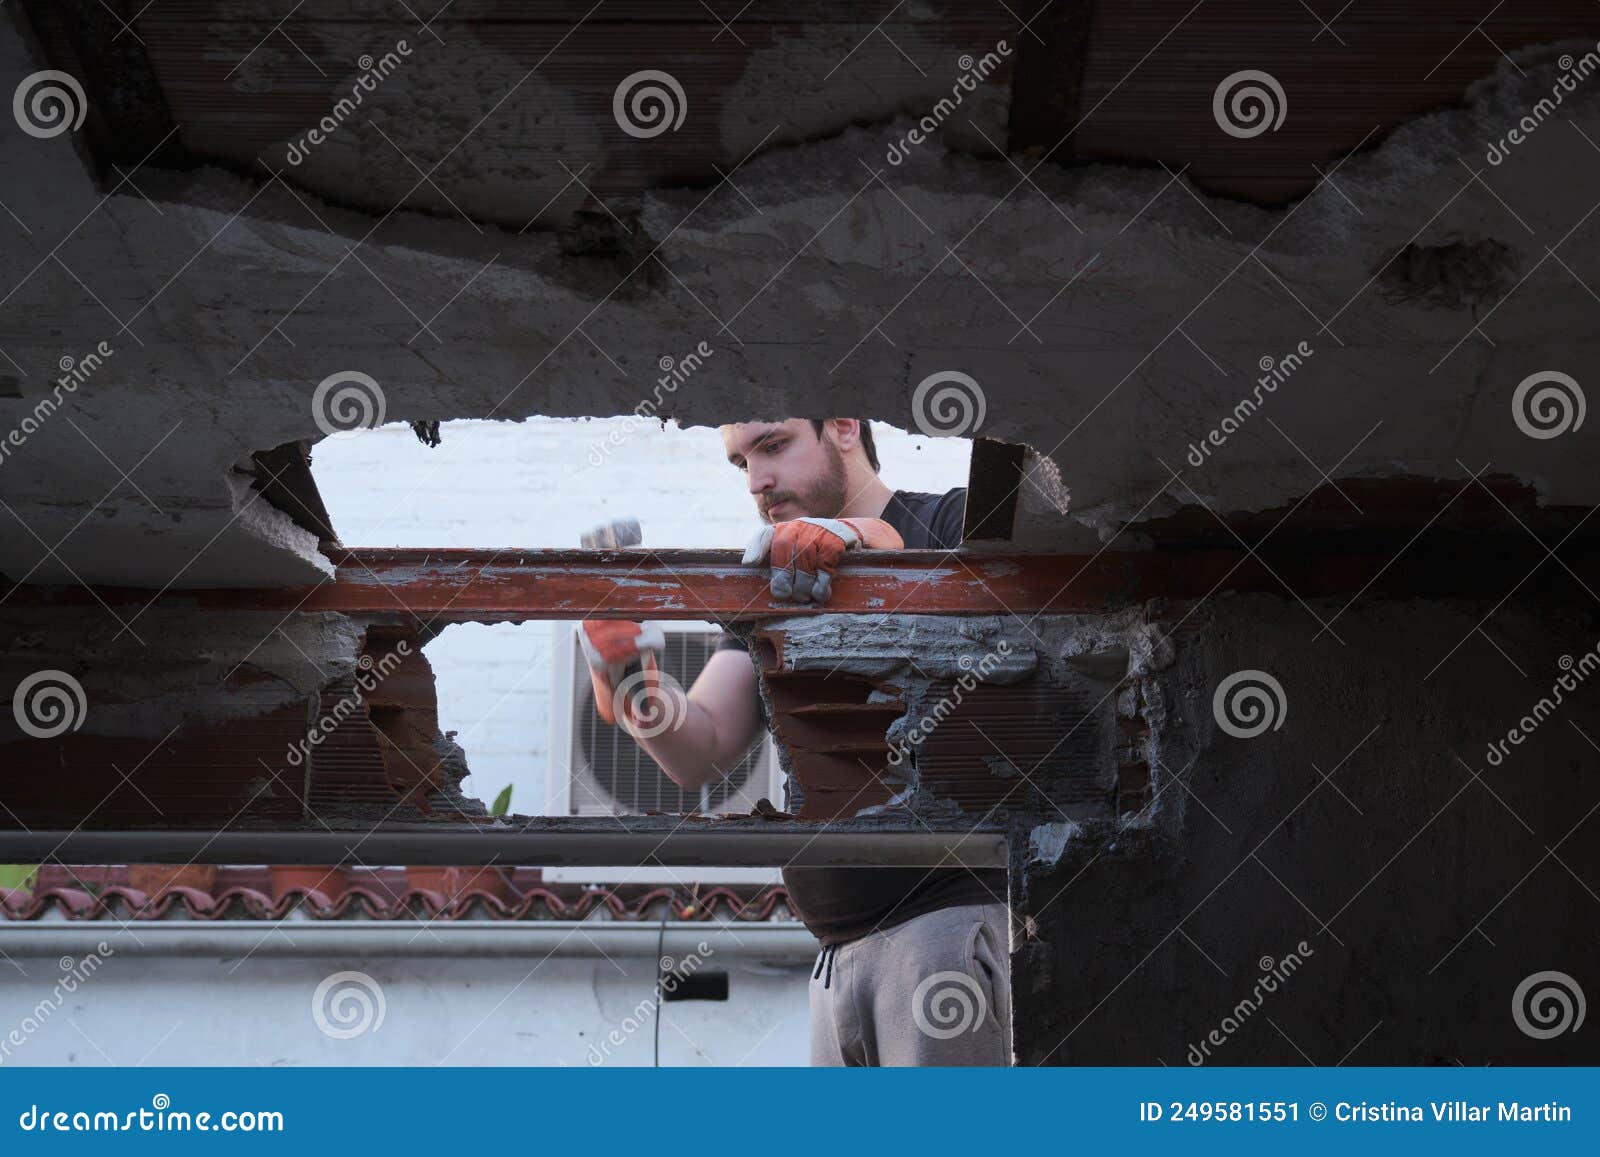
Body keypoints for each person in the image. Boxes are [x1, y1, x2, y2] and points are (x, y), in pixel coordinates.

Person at [579, 418, 1012, 1066]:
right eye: (740, 462)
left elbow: (946, 579)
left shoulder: (951, 522)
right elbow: (702, 745)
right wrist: (637, 690)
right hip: (834, 959)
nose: (757, 480)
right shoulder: (775, 584)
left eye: (774, 446)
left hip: (944, 930)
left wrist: (859, 540)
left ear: (842, 425)